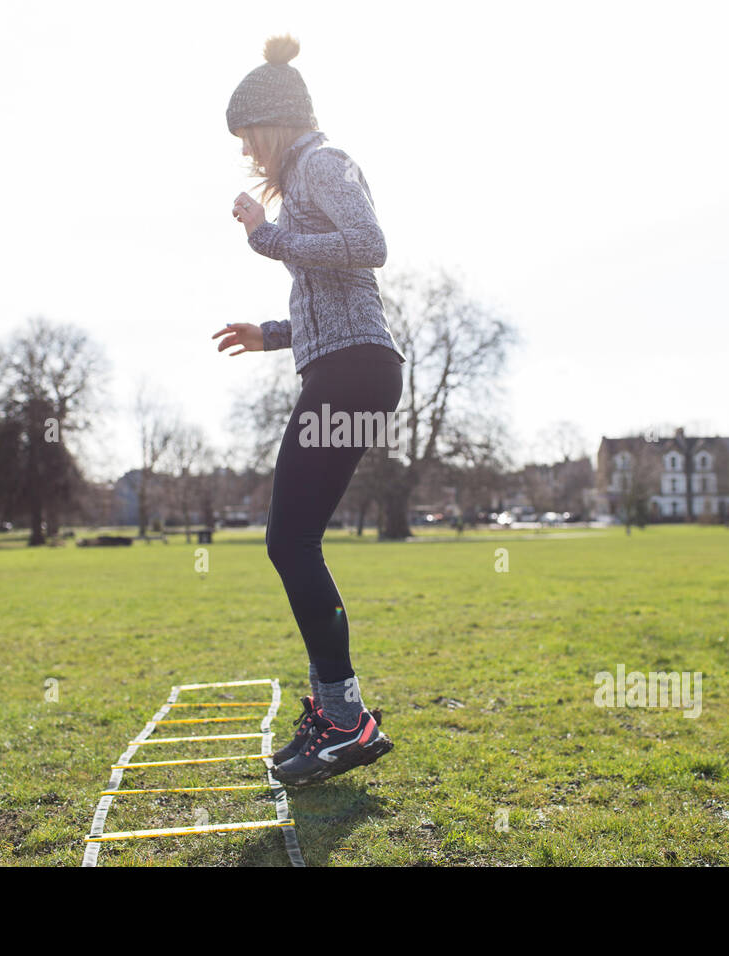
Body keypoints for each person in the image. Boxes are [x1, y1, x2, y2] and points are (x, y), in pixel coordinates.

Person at [212, 34, 402, 787]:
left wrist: (266, 237)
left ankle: (344, 721)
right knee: (293, 541)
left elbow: (370, 245)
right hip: (345, 367)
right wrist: (275, 335)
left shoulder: (323, 162)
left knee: (290, 541)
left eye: (250, 140)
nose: (250, 158)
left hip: (353, 375)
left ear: (275, 124)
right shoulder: (305, 176)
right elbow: (339, 297)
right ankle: (340, 717)